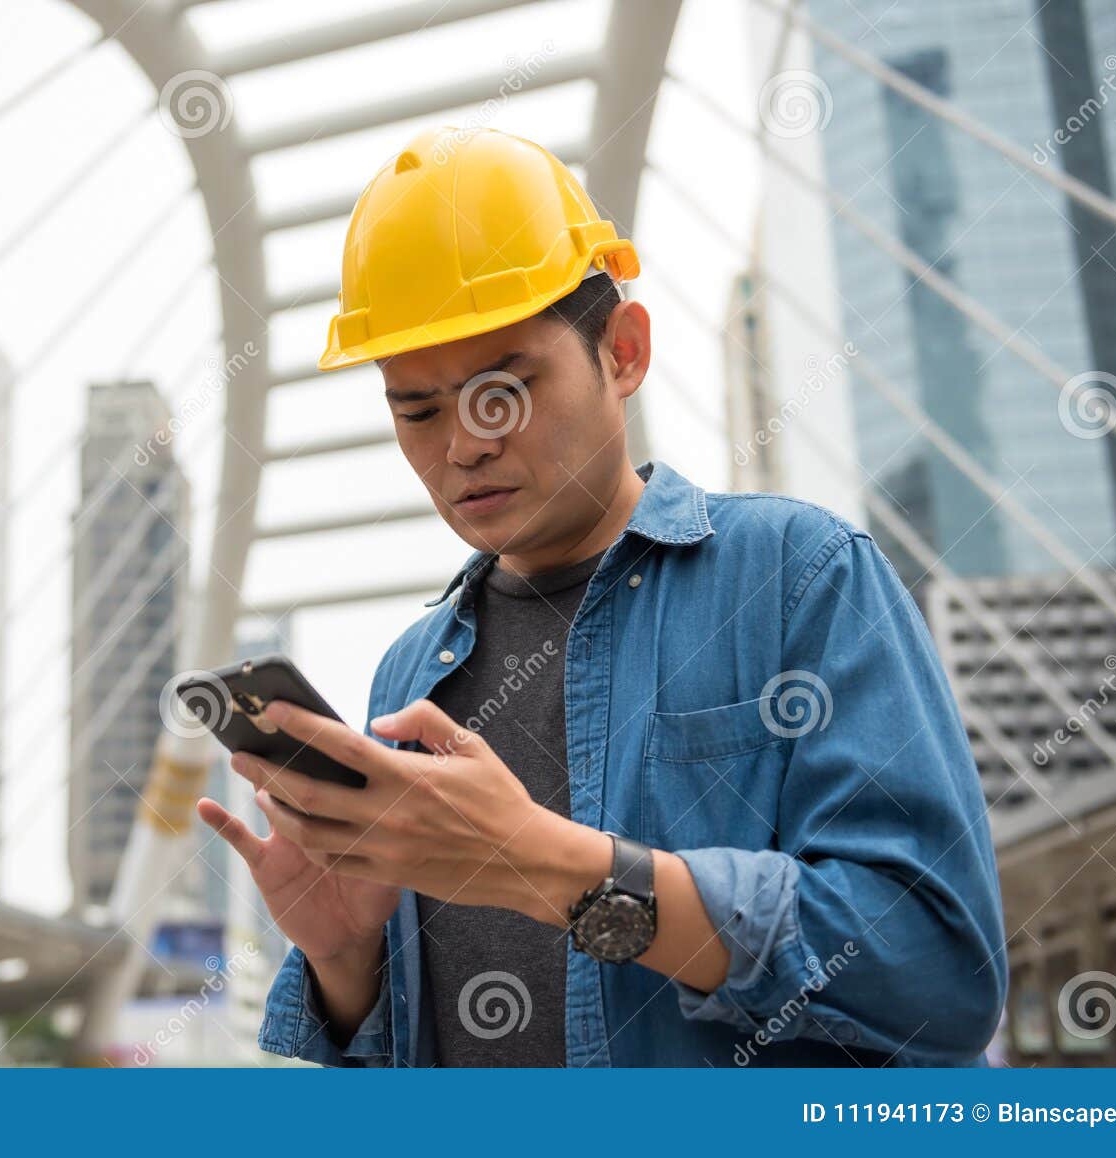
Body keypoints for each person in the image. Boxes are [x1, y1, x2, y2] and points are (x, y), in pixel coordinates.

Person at [196, 126, 1007, 1067]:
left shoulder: (799, 578)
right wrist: (345, 959)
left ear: (622, 352)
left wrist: (557, 867)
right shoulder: (410, 674)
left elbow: (936, 974)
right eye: (415, 409)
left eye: (503, 389)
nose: (462, 444)